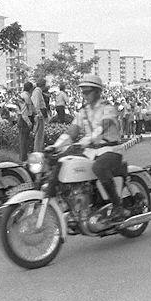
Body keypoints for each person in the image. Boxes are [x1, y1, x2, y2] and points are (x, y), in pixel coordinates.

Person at [50, 74, 126, 223]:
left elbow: (102, 127)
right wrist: (56, 146)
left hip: (111, 150)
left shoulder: (108, 108)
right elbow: (72, 131)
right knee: (63, 162)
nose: (84, 95)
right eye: (83, 92)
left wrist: (85, 140)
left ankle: (118, 207)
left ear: (97, 91)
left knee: (99, 168)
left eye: (87, 92)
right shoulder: (83, 111)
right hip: (91, 151)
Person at [18, 82, 35, 162]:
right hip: (24, 120)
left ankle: (23, 158)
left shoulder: (23, 95)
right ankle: (23, 159)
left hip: (23, 119)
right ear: (30, 88)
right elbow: (24, 112)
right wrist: (29, 122)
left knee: (24, 140)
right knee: (24, 141)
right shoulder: (26, 96)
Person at [31, 78, 48, 152]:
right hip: (39, 114)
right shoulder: (37, 91)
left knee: (40, 134)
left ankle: (38, 149)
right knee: (39, 135)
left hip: (41, 113)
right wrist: (39, 114)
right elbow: (36, 104)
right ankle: (37, 151)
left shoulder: (38, 91)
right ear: (43, 85)